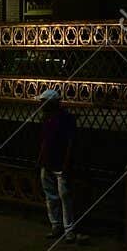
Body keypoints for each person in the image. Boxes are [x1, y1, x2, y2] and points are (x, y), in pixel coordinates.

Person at [38, 88, 80, 242]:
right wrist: (41, 159)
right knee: (52, 196)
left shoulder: (65, 119)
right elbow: (45, 140)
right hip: (49, 162)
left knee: (64, 197)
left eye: (44, 102)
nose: (41, 105)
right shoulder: (47, 117)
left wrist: (66, 163)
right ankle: (57, 225)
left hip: (60, 162)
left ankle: (68, 229)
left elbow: (70, 142)